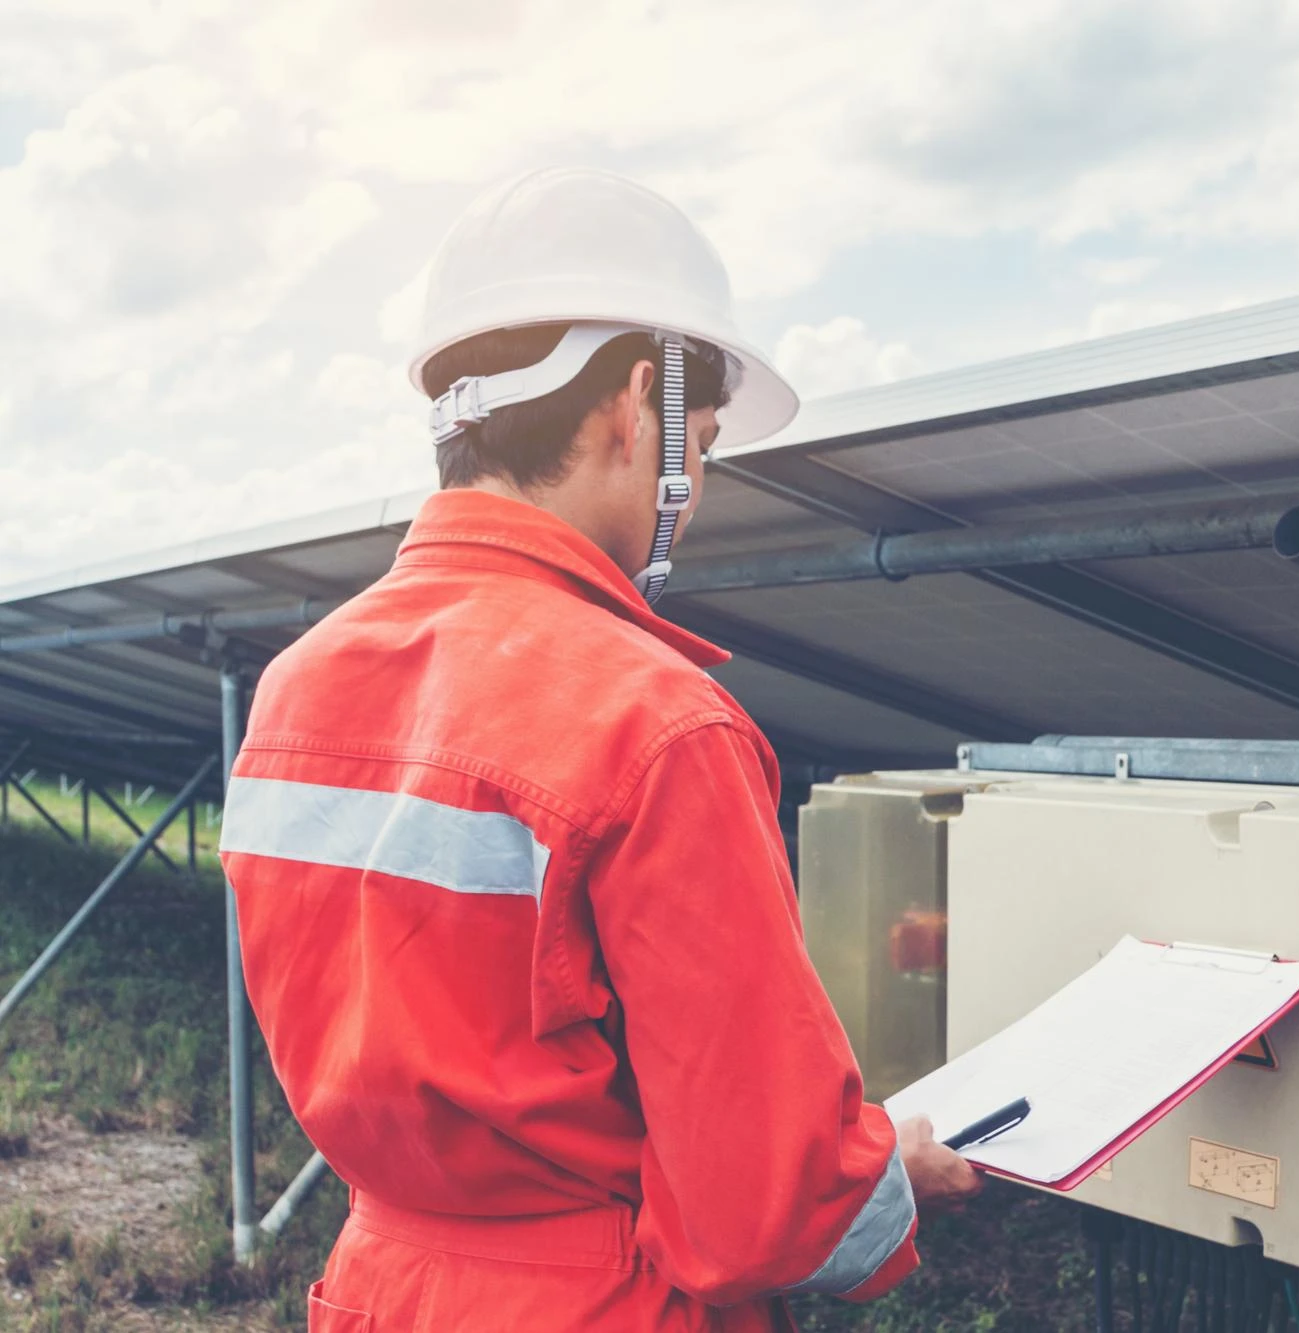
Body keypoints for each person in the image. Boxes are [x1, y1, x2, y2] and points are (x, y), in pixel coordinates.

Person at [219, 166, 980, 1333]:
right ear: (639, 404)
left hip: (382, 1287)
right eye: (707, 444)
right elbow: (763, 1201)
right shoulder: (655, 722)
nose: (699, 487)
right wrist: (890, 1172)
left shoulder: (294, 687)